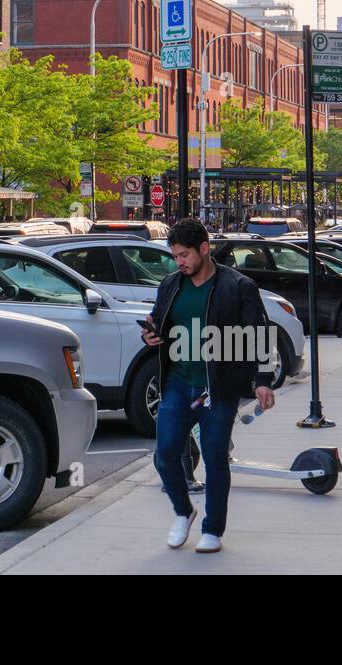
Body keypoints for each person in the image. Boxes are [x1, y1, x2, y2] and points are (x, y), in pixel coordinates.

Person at [142, 218, 275, 554]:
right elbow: (158, 323)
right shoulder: (171, 285)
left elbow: (259, 333)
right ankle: (183, 511)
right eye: (175, 256)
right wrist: (150, 335)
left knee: (215, 458)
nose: (180, 262)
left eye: (184, 255)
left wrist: (262, 381)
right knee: (166, 454)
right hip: (177, 382)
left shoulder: (238, 286)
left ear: (204, 248)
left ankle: (212, 530)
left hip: (218, 387)